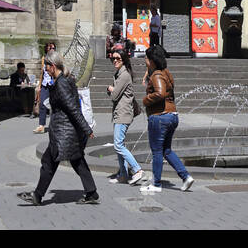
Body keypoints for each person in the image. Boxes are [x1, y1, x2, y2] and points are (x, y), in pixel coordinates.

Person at [18, 52, 99, 206]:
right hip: (67, 132)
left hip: (63, 132)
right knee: (77, 161)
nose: (45, 70)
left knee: (49, 161)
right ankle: (91, 192)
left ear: (53, 66)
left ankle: (37, 195)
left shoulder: (62, 83)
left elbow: (73, 109)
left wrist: (87, 129)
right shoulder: (65, 79)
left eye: (46, 67)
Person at [141, 44, 193, 192]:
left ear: (152, 60)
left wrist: (145, 100)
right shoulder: (166, 73)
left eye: (146, 58)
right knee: (166, 150)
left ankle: (156, 184)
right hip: (171, 115)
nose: (144, 60)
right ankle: (186, 177)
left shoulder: (157, 75)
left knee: (157, 151)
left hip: (160, 117)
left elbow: (160, 93)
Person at [107, 47, 144, 186]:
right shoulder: (119, 74)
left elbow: (115, 95)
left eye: (118, 58)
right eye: (113, 58)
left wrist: (111, 89)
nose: (115, 61)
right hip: (119, 113)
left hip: (123, 114)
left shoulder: (124, 75)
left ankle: (137, 170)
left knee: (118, 145)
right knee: (119, 144)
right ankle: (123, 174)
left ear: (123, 60)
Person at [34, 41, 57, 134]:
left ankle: (55, 125)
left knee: (55, 105)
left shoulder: (57, 58)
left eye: (53, 48)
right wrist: (39, 85)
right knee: (42, 104)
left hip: (54, 85)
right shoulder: (44, 58)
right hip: (45, 84)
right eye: (50, 48)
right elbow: (42, 73)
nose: (51, 50)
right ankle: (41, 126)